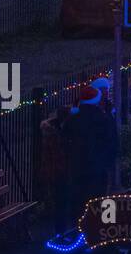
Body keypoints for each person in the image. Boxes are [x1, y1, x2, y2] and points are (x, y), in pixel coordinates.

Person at [63, 78, 119, 223]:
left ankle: (80, 227)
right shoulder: (104, 118)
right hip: (99, 165)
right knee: (101, 197)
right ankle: (103, 227)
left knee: (81, 198)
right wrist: (110, 158)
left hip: (79, 166)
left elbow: (64, 138)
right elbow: (111, 139)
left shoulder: (73, 119)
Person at [39, 105, 71, 239]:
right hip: (60, 173)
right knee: (61, 203)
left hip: (57, 173)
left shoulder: (52, 133)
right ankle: (62, 231)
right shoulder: (57, 135)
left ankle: (61, 231)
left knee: (61, 203)